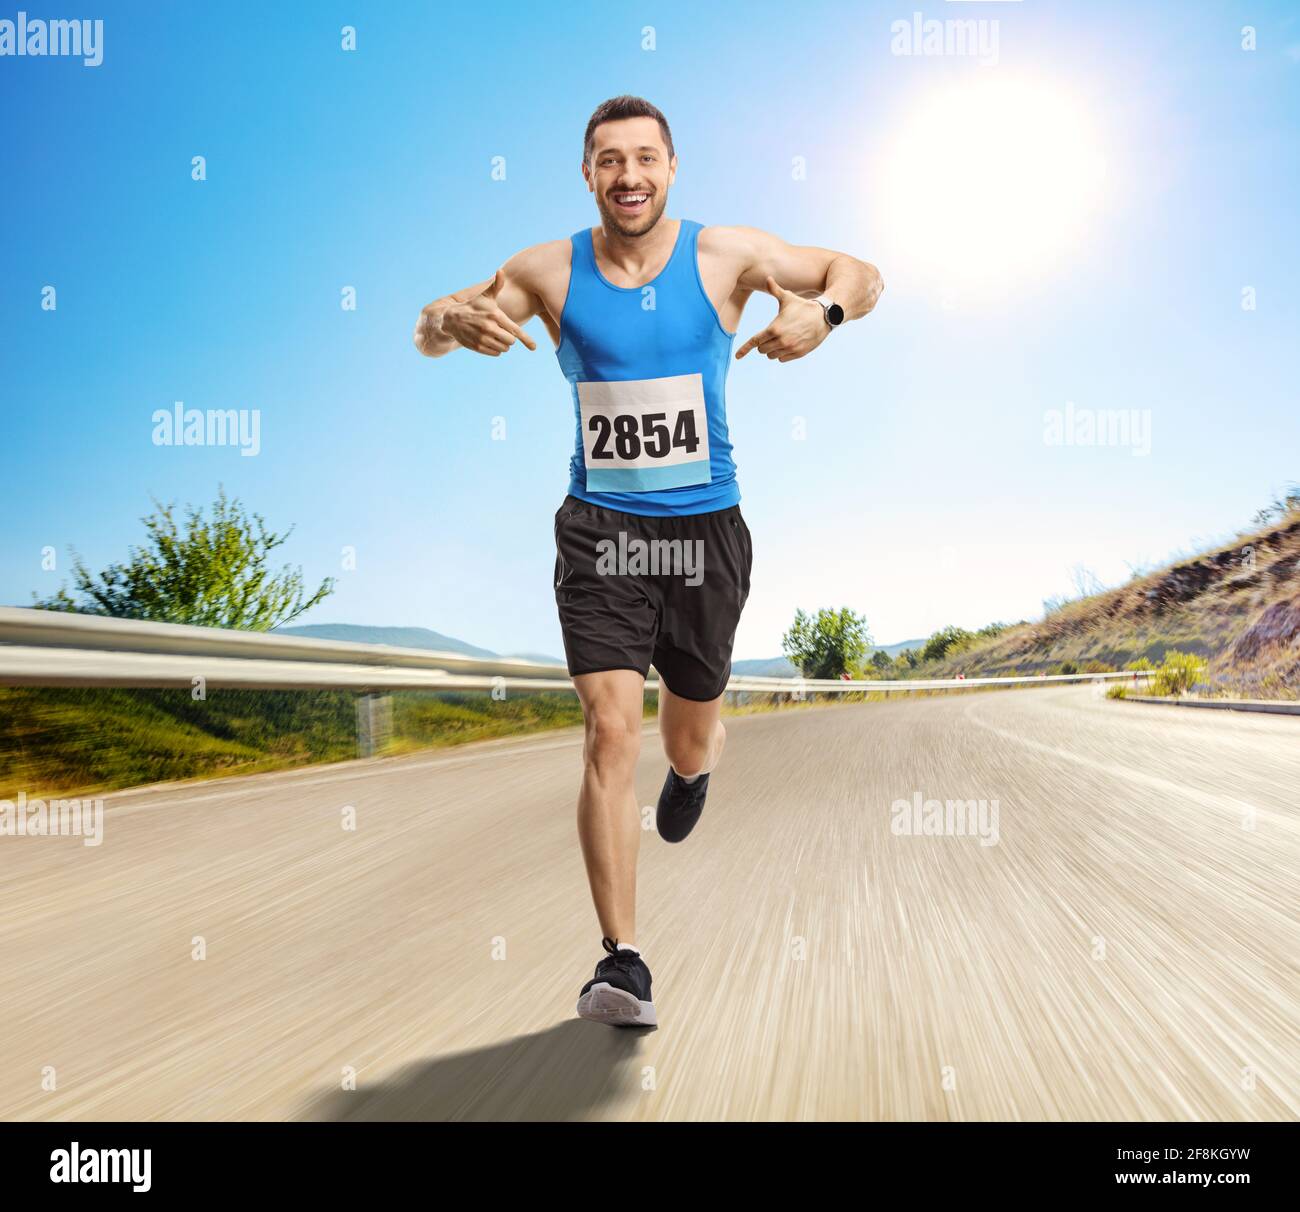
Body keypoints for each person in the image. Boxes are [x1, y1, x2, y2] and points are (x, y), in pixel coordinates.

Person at [414, 95, 883, 1027]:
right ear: (587, 175)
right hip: (601, 533)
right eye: (607, 160)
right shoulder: (546, 268)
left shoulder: (727, 254)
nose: (627, 175)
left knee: (686, 731)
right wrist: (442, 320)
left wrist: (824, 314)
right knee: (609, 731)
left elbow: (860, 271)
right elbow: (441, 326)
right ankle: (621, 961)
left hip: (707, 533)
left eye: (643, 158)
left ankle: (698, 768)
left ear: (671, 169)